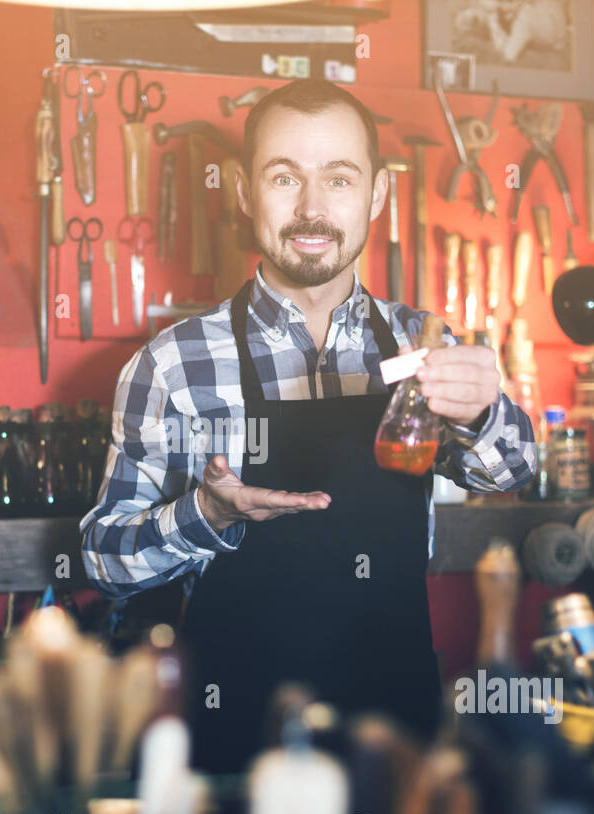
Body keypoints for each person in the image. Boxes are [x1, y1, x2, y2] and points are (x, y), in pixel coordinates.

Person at [81, 79, 536, 774]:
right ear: (241, 190)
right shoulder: (172, 365)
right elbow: (105, 562)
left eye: (339, 179)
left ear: (379, 195)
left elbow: (511, 470)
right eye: (284, 178)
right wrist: (203, 512)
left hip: (397, 744)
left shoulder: (425, 344)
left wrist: (481, 409)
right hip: (232, 745)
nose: (312, 209)